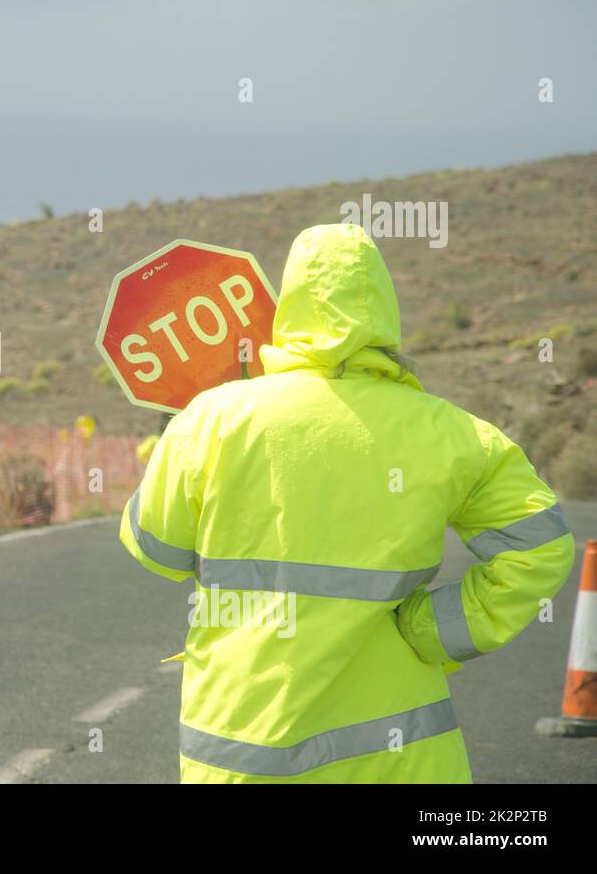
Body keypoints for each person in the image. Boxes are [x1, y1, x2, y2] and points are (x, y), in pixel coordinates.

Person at [120, 223, 574, 783]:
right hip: (401, 759)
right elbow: (543, 547)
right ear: (386, 312)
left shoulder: (212, 419)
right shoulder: (455, 434)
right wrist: (434, 629)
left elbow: (155, 548)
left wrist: (179, 432)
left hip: (239, 749)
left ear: (289, 307)